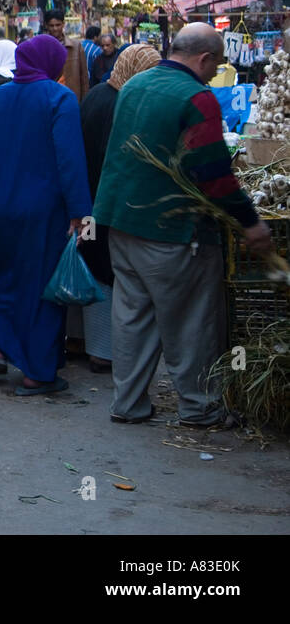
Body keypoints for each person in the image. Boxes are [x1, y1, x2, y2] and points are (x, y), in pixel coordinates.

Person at [92, 24, 272, 427]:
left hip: (120, 221)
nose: (215, 73)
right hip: (170, 230)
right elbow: (213, 173)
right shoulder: (197, 97)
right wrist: (249, 221)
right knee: (190, 320)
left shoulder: (134, 86)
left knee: (132, 314)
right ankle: (199, 406)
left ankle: (128, 403)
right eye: (218, 64)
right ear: (204, 58)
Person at [0, 34, 92, 395]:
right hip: (42, 209)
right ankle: (37, 372)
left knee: (2, 274)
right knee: (43, 286)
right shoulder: (60, 98)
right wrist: (80, 214)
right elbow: (70, 161)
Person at [76, 44, 161, 374]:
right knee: (108, 271)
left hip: (89, 198)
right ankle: (104, 352)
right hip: (108, 202)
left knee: (94, 264)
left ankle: (83, 341)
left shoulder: (96, 94)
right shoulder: (125, 103)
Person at [44, 11, 88, 102]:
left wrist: (84, 102)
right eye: (51, 26)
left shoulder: (76, 47)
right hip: (49, 97)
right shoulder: (41, 47)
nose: (55, 28)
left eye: (58, 25)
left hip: (71, 96)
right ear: (46, 26)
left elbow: (84, 77)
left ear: (63, 24)